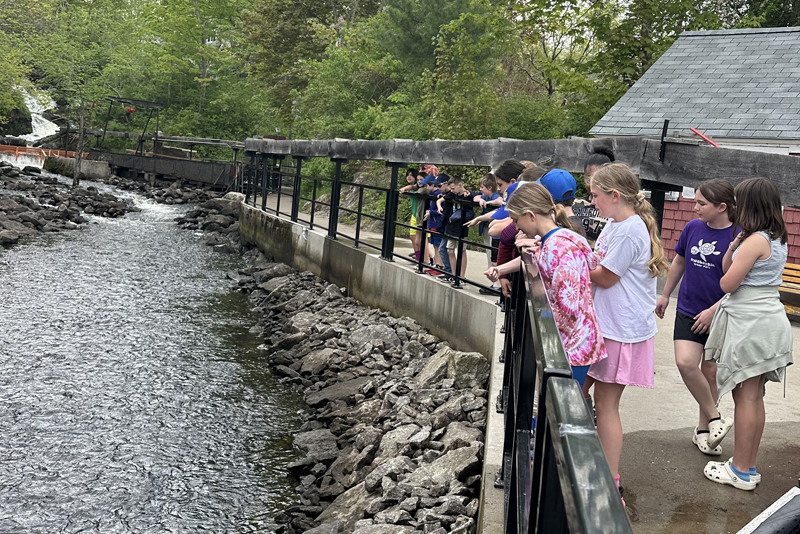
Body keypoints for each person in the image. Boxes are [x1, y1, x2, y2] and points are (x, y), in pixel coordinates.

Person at [585, 163, 669, 502]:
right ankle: (587, 463)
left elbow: (604, 276)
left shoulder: (630, 229)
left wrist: (572, 260)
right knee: (575, 390)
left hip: (620, 330)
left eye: (595, 195)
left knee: (605, 404)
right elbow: (597, 262)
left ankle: (610, 480)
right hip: (607, 325)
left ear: (615, 196)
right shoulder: (615, 225)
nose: (592, 202)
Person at [702, 178, 793, 491]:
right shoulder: (773, 238)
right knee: (754, 396)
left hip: (752, 324)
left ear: (750, 205)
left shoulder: (755, 241)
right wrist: (733, 244)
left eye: (739, 201)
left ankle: (739, 470)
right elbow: (728, 263)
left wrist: (740, 246)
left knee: (746, 397)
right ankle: (748, 466)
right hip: (767, 321)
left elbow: (727, 283)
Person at [488, 182, 607, 386]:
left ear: (531, 215)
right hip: (575, 339)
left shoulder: (557, 247)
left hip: (573, 343)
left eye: (517, 221)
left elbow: (568, 304)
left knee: (564, 403)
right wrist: (502, 270)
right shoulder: (558, 238)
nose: (517, 227)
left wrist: (539, 300)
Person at [655, 179, 737, 456]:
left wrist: (715, 310)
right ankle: (716, 417)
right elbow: (679, 260)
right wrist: (666, 294)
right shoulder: (692, 228)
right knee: (686, 362)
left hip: (721, 314)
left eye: (701, 203)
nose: (695, 207)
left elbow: (741, 282)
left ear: (721, 206)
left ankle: (704, 431)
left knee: (710, 371)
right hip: (689, 308)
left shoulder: (738, 236)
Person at [436, 176, 476, 280]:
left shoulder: (468, 195)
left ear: (460, 185)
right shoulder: (452, 194)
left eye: (453, 188)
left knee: (461, 250)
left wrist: (472, 195)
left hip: (461, 227)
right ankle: (454, 275)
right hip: (451, 227)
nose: (452, 190)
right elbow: (440, 200)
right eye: (451, 188)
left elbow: (477, 197)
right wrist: (440, 206)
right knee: (450, 250)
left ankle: (461, 276)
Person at [474, 174, 503, 293]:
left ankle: (497, 284)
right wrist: (480, 199)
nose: (481, 189)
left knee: (493, 256)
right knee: (489, 254)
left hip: (494, 229)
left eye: (482, 187)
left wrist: (490, 202)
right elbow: (475, 197)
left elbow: (500, 201)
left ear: (489, 187)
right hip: (487, 228)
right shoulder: (484, 196)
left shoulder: (495, 196)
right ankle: (495, 283)